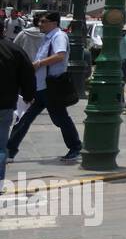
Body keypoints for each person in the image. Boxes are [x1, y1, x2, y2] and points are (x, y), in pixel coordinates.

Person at [6, 12, 83, 164]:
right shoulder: (48, 37)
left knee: (60, 119)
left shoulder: (58, 36)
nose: (39, 24)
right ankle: (10, 151)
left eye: (43, 21)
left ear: (53, 23)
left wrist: (39, 63)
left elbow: (60, 56)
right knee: (23, 119)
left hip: (50, 87)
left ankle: (75, 147)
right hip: (40, 87)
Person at [0, 32, 36, 184]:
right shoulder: (14, 50)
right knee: (1, 145)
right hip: (4, 104)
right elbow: (28, 74)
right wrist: (28, 96)